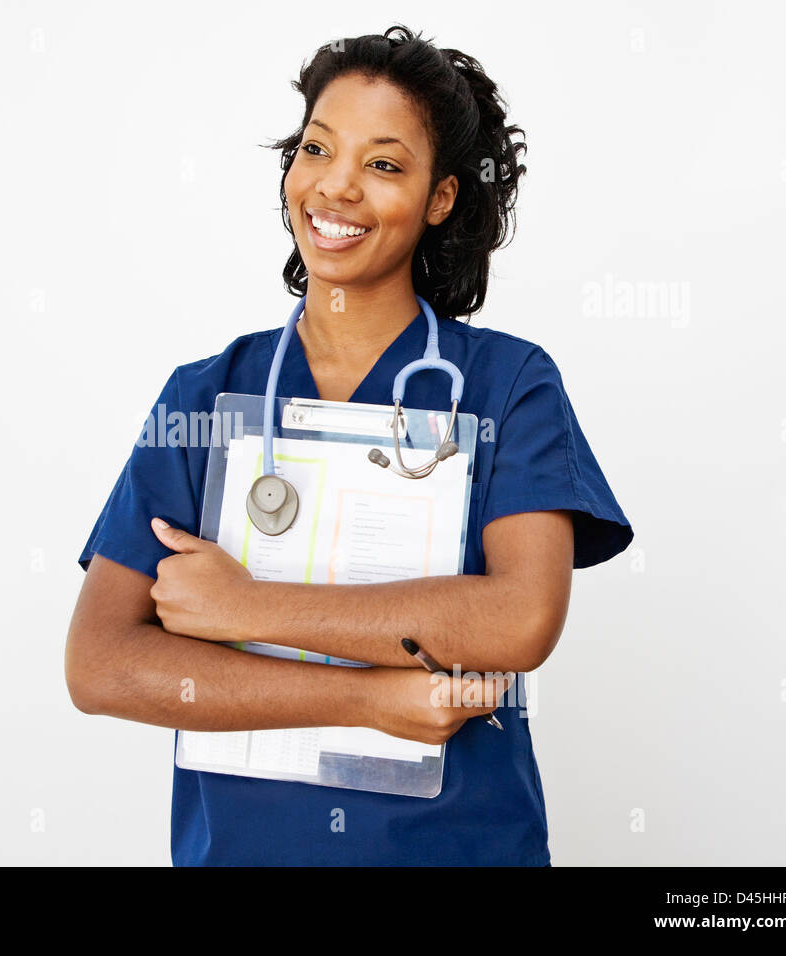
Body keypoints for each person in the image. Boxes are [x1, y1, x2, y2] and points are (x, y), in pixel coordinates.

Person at [66, 25, 633, 866]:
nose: (334, 187)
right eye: (316, 148)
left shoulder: (508, 385)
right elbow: (102, 664)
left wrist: (245, 608)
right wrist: (365, 700)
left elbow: (520, 619)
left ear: (441, 197)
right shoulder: (204, 396)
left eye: (384, 164)